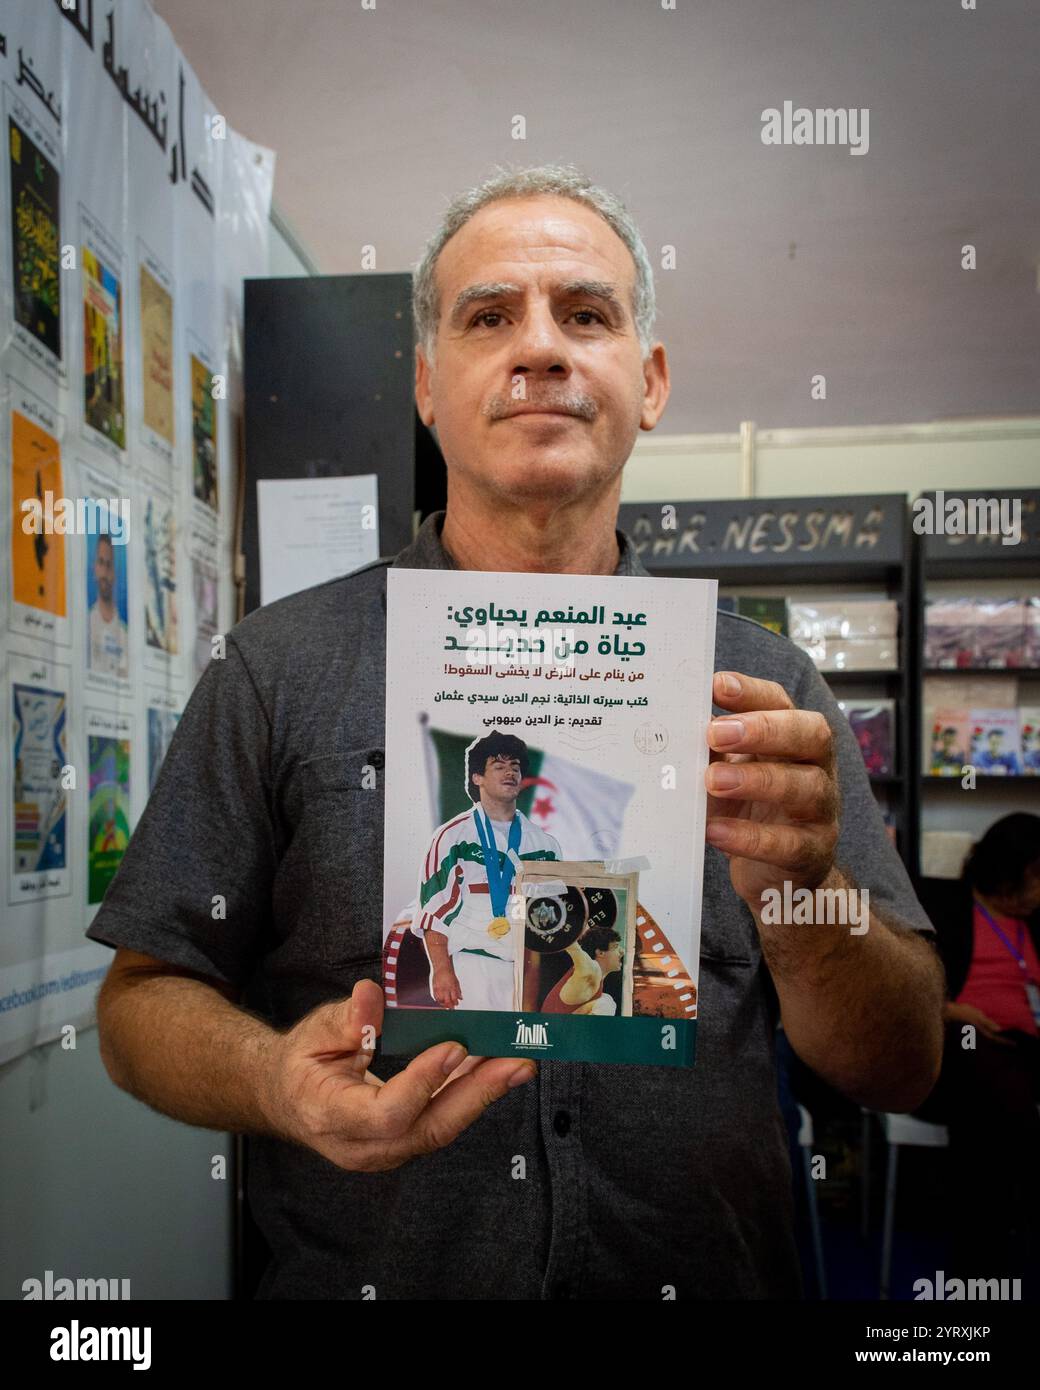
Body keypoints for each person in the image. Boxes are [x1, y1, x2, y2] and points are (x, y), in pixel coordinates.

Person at [87, 164, 944, 1300]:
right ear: (428, 386)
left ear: (648, 382)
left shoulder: (765, 686)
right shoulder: (275, 667)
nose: (538, 348)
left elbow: (902, 1060)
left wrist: (803, 898)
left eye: (583, 314)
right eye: (489, 316)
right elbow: (141, 996)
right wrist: (270, 1080)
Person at [915, 813, 1040, 1266]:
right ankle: (988, 1249)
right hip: (962, 1041)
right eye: (1033, 878)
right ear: (1004, 872)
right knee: (989, 1080)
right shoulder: (943, 904)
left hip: (1028, 1048)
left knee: (1003, 1097)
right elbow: (903, 987)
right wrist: (952, 1010)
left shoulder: (1035, 922)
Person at [414, 731, 561, 1010]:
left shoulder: (545, 845)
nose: (510, 773)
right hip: (471, 967)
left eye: (515, 767)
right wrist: (442, 971)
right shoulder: (452, 836)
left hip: (524, 969)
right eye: (499, 766)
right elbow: (434, 911)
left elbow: (547, 922)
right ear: (477, 777)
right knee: (470, 1052)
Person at [540, 924, 621, 1016]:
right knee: (605, 1003)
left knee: (606, 998)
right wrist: (553, 922)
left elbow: (582, 927)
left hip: (560, 1023)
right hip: (553, 1027)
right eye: (615, 947)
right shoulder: (590, 969)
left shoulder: (594, 977)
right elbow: (572, 946)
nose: (622, 952)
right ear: (600, 952)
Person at [88, 532, 129, 678]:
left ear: (115, 573)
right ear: (95, 568)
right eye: (101, 562)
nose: (104, 572)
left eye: (109, 565)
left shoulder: (125, 634)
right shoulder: (86, 624)